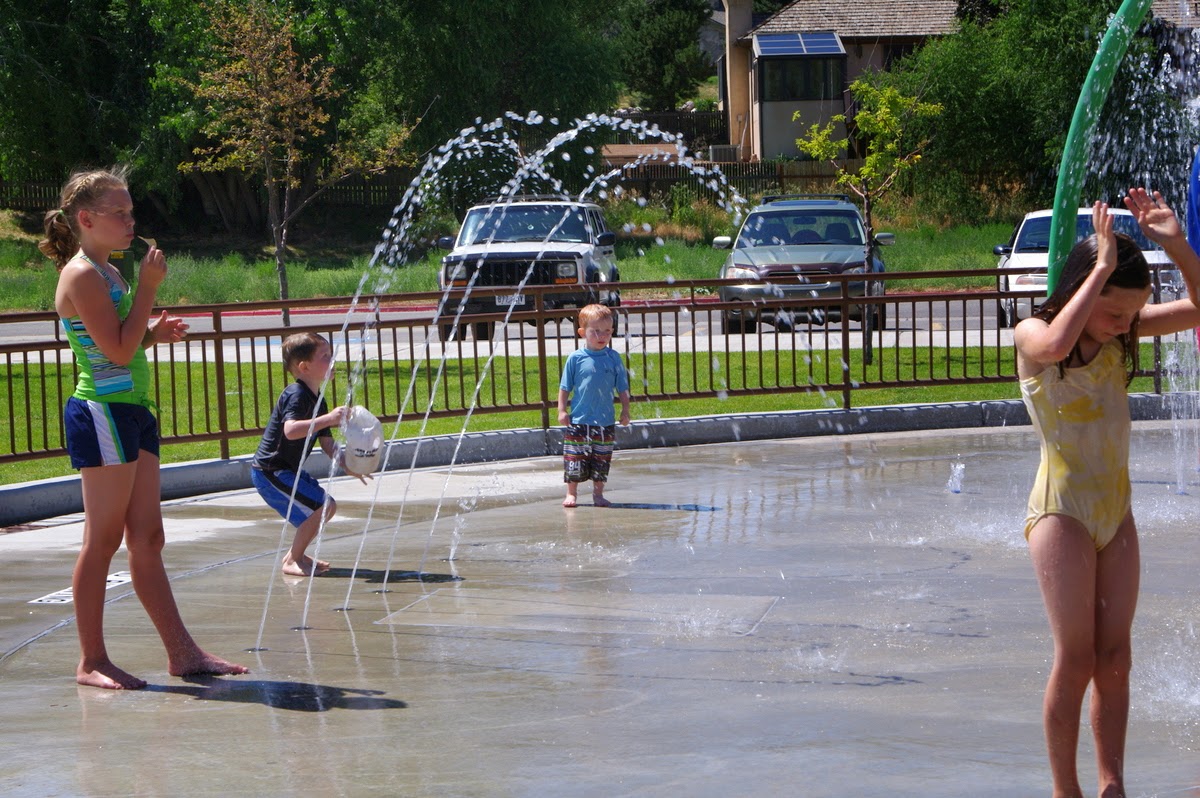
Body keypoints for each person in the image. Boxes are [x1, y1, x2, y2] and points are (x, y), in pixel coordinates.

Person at [1015, 189, 1200, 798]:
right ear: (1082, 292)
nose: (1127, 327)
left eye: (1132, 317)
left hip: (1114, 514)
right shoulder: (1033, 334)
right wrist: (1099, 268)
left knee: (1115, 656)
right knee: (1077, 657)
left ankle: (1112, 783)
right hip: (1062, 514)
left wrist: (1174, 244)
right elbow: (1055, 348)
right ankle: (1064, 790)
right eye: (1115, 314)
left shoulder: (1121, 338)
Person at [41, 167, 248, 690]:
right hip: (103, 413)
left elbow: (121, 343)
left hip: (133, 410)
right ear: (86, 219)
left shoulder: (109, 272)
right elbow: (112, 352)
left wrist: (152, 332)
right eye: (120, 213)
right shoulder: (82, 274)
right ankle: (91, 660)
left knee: (148, 538)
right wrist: (149, 293)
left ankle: (183, 653)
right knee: (103, 539)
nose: (131, 221)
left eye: (132, 212)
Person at [251, 332, 366, 576]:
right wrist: (328, 419)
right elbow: (291, 431)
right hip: (271, 471)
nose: (332, 360)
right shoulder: (296, 394)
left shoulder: (318, 399)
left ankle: (296, 554)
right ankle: (293, 559)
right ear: (304, 367)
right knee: (322, 507)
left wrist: (348, 465)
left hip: (287, 471)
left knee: (325, 508)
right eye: (325, 356)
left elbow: (327, 443)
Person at [557, 304, 631, 507]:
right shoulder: (576, 358)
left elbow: (622, 389)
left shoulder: (613, 358)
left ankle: (598, 494)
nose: (602, 336)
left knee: (602, 459)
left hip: (605, 422)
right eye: (595, 331)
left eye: (607, 331)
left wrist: (626, 410)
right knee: (574, 458)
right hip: (579, 420)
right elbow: (565, 387)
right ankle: (571, 493)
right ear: (582, 332)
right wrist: (562, 410)